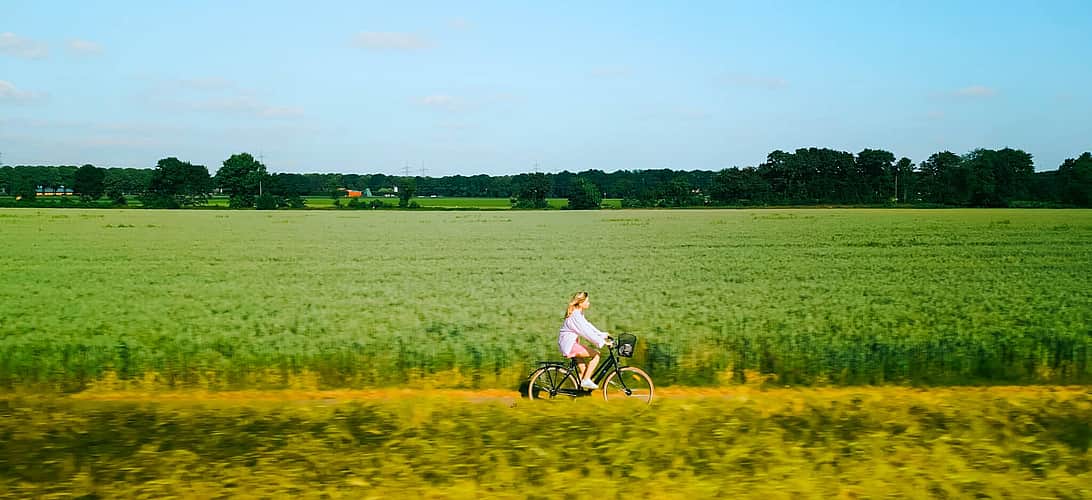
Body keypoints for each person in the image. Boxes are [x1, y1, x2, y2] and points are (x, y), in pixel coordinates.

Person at [558, 291, 611, 390]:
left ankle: (575, 393)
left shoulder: (578, 313)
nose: (589, 303)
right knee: (596, 355)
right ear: (580, 303)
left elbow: (587, 325)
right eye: (587, 301)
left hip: (569, 344)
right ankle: (586, 380)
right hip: (569, 346)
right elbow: (586, 332)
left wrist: (601, 334)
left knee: (584, 371)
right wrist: (602, 342)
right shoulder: (575, 316)